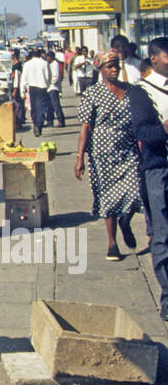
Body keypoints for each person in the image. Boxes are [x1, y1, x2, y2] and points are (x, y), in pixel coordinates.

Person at [75, 50, 145, 261]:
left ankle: (126, 221)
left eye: (116, 65)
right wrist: (80, 158)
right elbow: (86, 127)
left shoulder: (131, 91)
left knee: (136, 193)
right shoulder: (92, 93)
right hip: (102, 155)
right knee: (108, 199)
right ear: (100, 69)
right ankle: (112, 243)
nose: (114, 69)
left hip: (129, 151)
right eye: (109, 66)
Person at [129, 38, 168, 321]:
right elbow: (144, 134)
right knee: (163, 236)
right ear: (153, 59)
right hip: (159, 170)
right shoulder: (141, 92)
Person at [20, 48, 53, 136]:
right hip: (42, 88)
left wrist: (22, 91)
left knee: (34, 107)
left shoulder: (27, 64)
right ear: (40, 54)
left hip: (32, 88)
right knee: (41, 107)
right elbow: (48, 76)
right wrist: (47, 85)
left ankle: (36, 124)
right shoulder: (44, 63)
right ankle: (39, 125)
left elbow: (23, 78)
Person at [46, 49, 66, 128]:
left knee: (56, 105)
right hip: (50, 87)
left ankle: (61, 120)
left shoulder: (55, 64)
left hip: (53, 87)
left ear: (51, 57)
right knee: (49, 106)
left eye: (48, 57)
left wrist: (50, 83)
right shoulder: (51, 64)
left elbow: (56, 76)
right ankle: (49, 121)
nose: (47, 59)